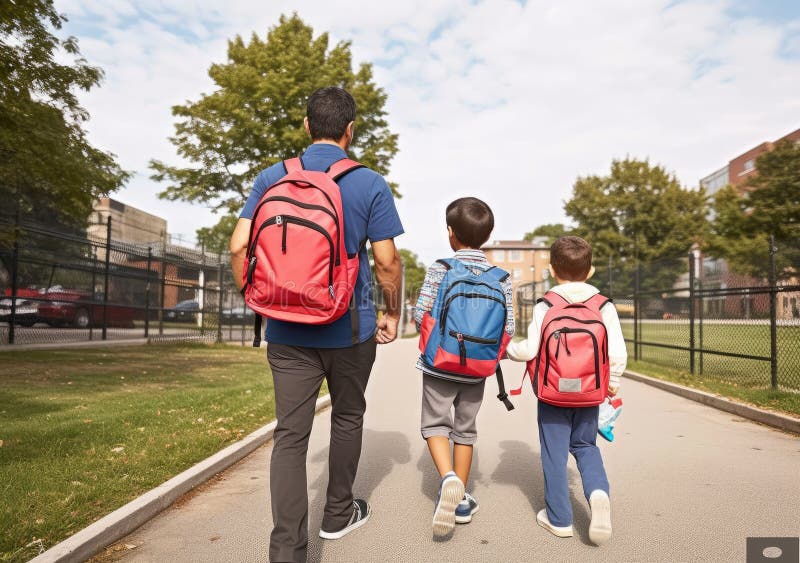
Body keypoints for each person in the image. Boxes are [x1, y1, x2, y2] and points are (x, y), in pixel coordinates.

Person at [230, 86, 404, 563]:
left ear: (306, 127)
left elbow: (237, 246)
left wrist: (258, 299)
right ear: (351, 130)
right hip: (349, 327)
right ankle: (337, 514)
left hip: (286, 330)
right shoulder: (369, 182)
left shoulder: (271, 176)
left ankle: (286, 550)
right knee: (347, 417)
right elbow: (387, 262)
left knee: (290, 435)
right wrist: (392, 312)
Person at [506, 236, 627, 546]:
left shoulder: (547, 304)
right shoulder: (604, 305)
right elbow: (617, 352)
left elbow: (531, 349)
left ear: (551, 269)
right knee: (586, 446)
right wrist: (610, 383)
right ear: (591, 270)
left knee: (554, 453)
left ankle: (559, 519)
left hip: (552, 392)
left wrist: (509, 349)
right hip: (590, 391)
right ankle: (598, 493)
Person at [413, 197, 515, 536]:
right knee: (465, 430)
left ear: (451, 233)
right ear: (486, 236)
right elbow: (509, 327)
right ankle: (461, 501)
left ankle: (449, 480)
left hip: (440, 362)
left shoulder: (441, 267)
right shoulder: (502, 278)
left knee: (436, 424)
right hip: (479, 367)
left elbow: (421, 313)